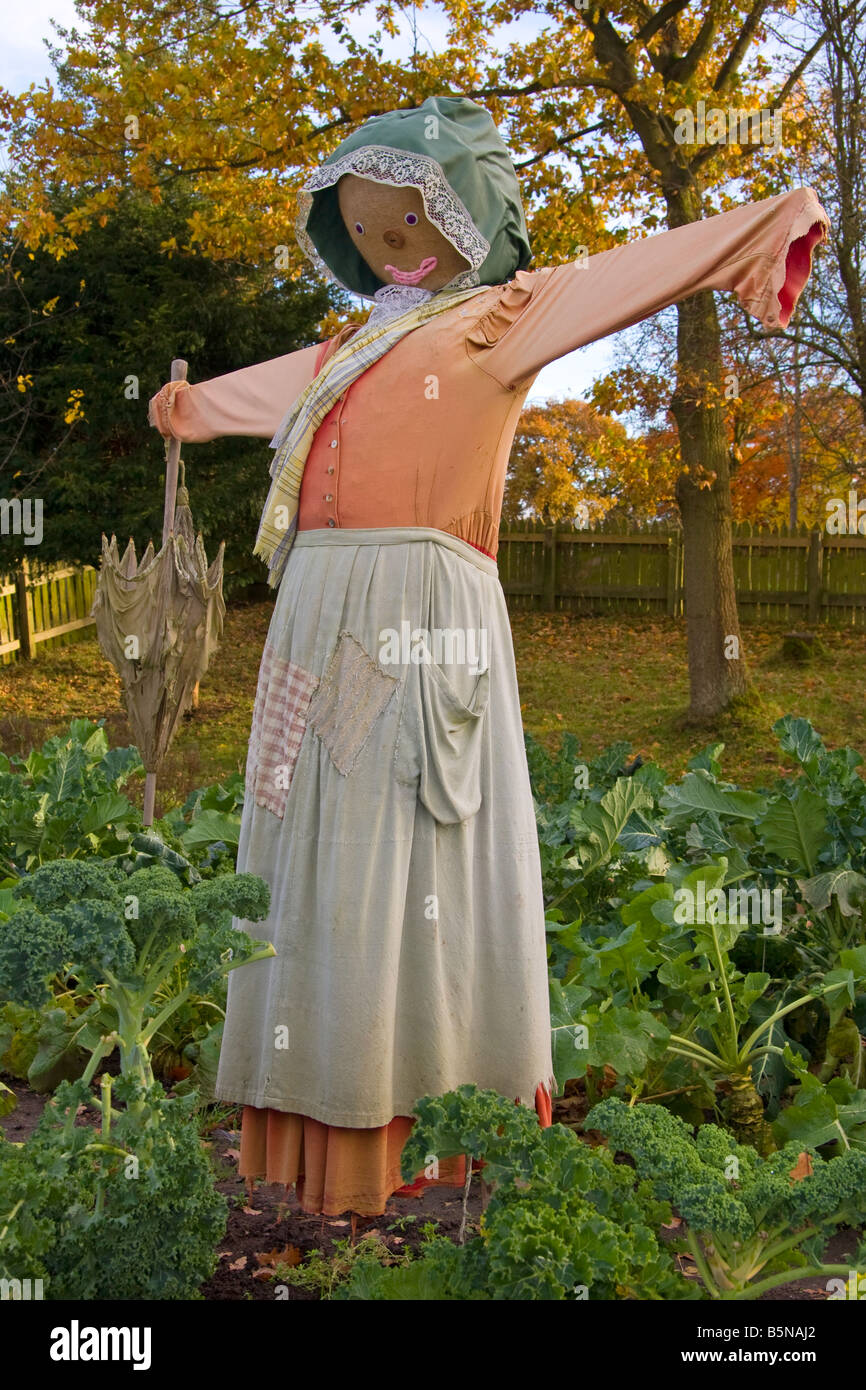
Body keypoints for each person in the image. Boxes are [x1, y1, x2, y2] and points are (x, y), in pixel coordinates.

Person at [149, 94, 828, 1218]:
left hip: (416, 610)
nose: (385, 252)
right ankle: (311, 1128)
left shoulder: (501, 318)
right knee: (306, 856)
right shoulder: (352, 344)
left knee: (390, 859)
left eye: (403, 228)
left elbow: (633, 272)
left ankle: (408, 1130)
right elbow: (278, 389)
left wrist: (764, 221)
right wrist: (195, 407)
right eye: (364, 234)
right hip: (314, 608)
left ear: (458, 220)